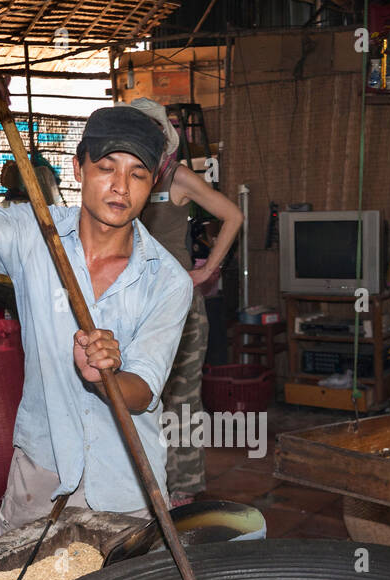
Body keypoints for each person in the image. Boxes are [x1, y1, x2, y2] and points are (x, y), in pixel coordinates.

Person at [0, 71, 191, 536]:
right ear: (78, 169)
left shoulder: (167, 280)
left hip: (126, 478)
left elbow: (144, 390)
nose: (120, 187)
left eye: (138, 175)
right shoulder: (35, 233)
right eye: (107, 167)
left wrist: (108, 374)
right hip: (42, 469)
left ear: (152, 185)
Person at [129, 99, 244, 506]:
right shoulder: (123, 180)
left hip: (179, 308)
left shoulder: (177, 177)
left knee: (181, 399)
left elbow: (232, 215)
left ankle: (185, 488)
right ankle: (143, 485)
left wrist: (207, 270)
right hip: (132, 308)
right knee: (138, 396)